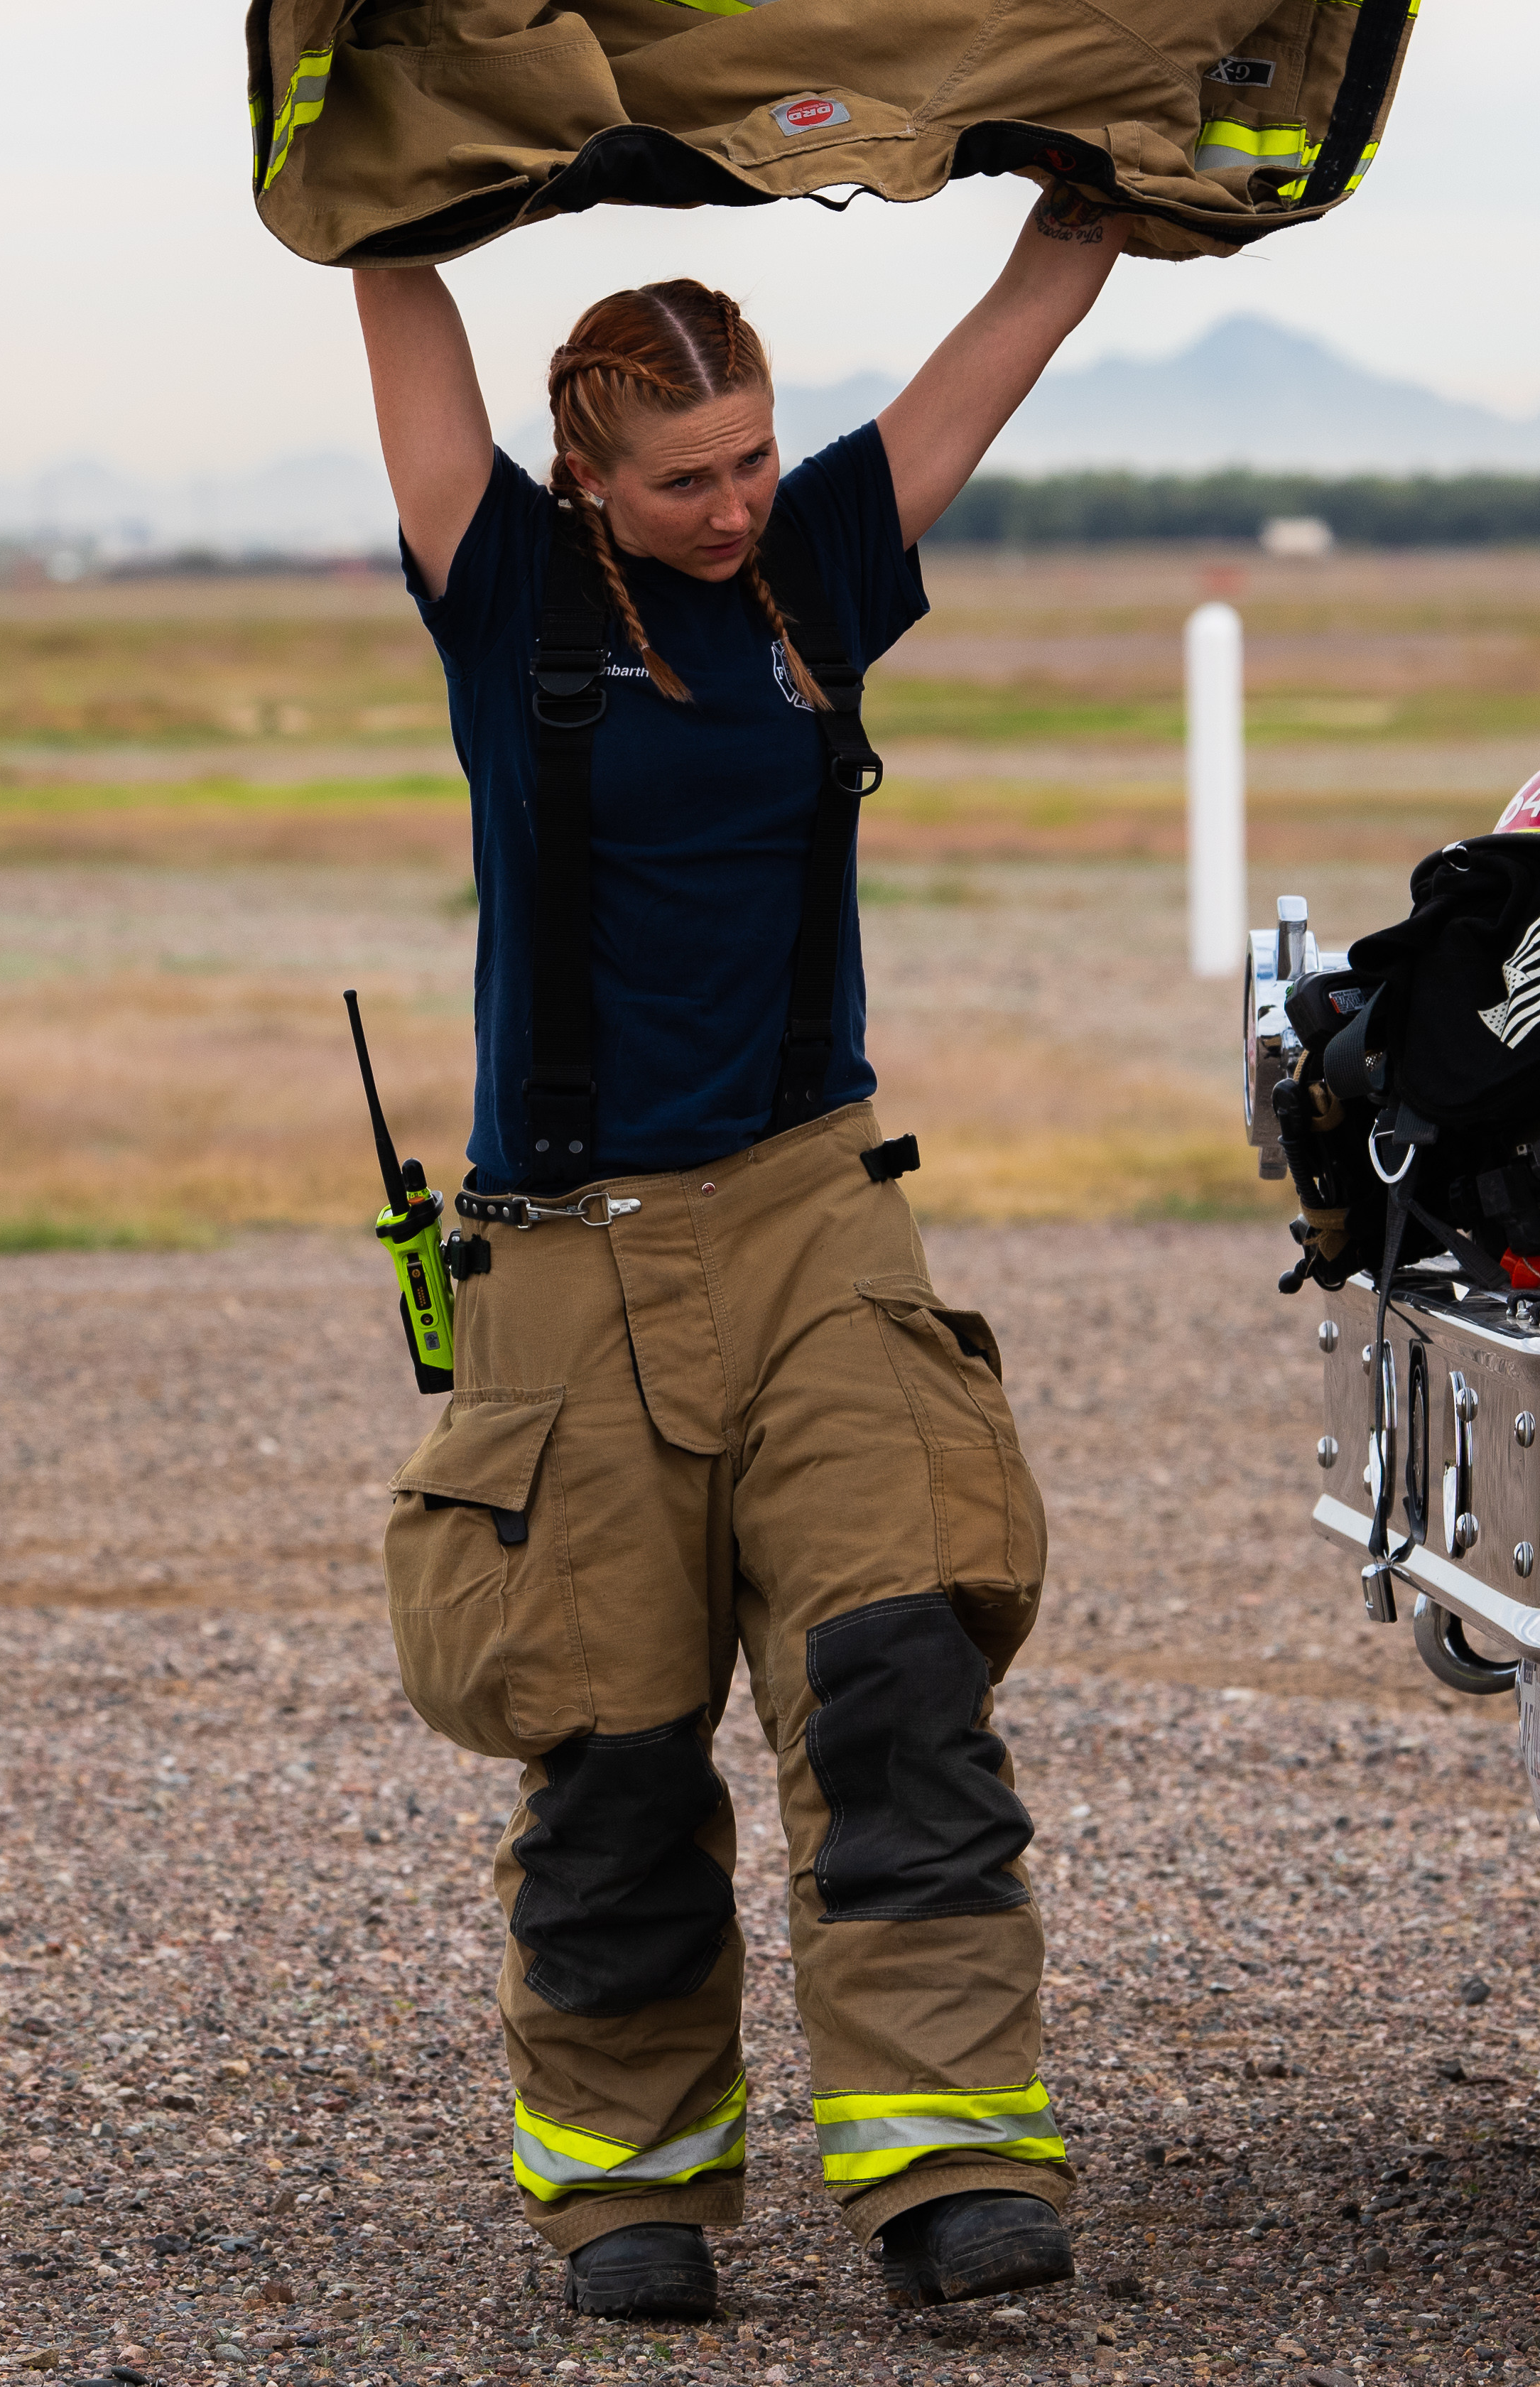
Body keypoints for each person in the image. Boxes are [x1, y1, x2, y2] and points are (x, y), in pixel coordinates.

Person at [354, 182, 1128, 2324]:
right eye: (687, 478)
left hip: (815, 1215)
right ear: (579, 476)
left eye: (756, 457)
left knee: (898, 1686)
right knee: (606, 1745)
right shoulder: (502, 586)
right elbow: (384, 279)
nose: (732, 503)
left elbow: (1027, 313)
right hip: (562, 1254)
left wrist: (1122, 165)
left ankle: (951, 2160)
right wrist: (383, 172)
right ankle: (628, 2184)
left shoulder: (818, 568)